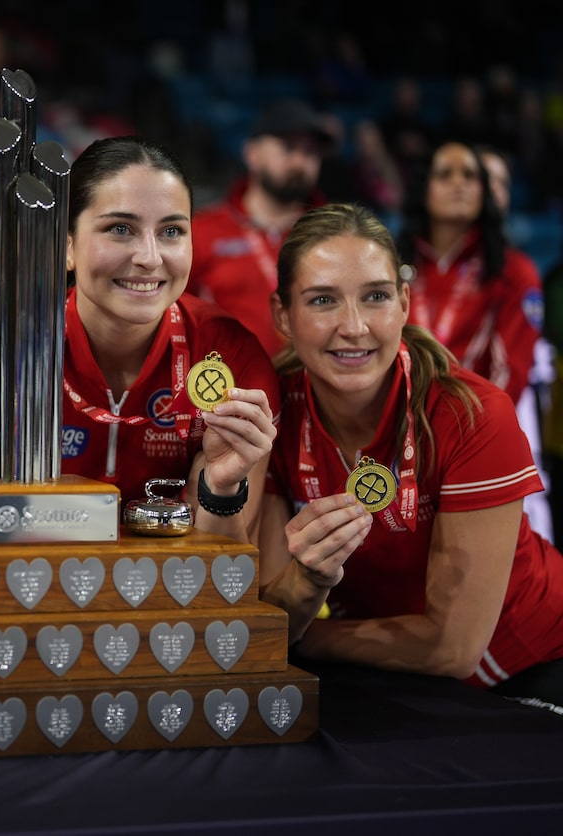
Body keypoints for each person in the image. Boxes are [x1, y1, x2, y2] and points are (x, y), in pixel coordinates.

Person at [260, 202, 563, 708]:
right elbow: (270, 607)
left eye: (375, 297)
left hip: (528, 661)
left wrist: (297, 635)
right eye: (322, 301)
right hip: (394, 671)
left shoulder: (473, 415)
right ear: (282, 315)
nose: (354, 326)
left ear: (403, 303)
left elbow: (453, 648)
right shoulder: (273, 412)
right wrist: (300, 592)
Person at [0, 135, 279, 544]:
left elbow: (229, 575)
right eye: (120, 228)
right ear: (65, 245)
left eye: (172, 231)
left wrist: (219, 489)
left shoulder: (232, 358)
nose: (150, 257)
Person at [396, 140, 543, 404]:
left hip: (474, 431)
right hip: (397, 429)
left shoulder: (513, 272)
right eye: (444, 174)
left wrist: (468, 435)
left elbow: (510, 375)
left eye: (469, 175)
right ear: (423, 189)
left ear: (483, 191)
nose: (458, 183)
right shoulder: (394, 266)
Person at [189, 98, 333, 358]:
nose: (300, 163)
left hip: (315, 388)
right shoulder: (202, 231)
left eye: (311, 153)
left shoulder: (334, 234)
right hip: (228, 390)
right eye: (288, 148)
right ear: (252, 154)